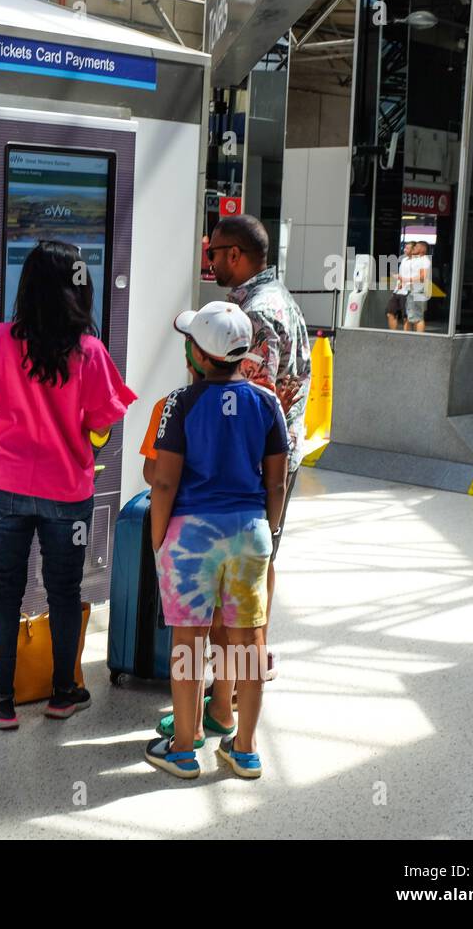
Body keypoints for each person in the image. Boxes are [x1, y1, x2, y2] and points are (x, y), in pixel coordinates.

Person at [0, 240, 136, 729]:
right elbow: (105, 419)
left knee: (5, 589)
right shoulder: (89, 352)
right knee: (63, 590)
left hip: (3, 486)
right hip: (66, 492)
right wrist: (77, 446)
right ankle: (63, 692)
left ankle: (2, 701)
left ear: (26, 286)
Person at [144, 302, 289, 779]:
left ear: (199, 355)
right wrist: (267, 532)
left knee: (188, 642)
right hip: (250, 532)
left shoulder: (178, 404)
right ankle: (244, 749)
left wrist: (159, 539)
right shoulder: (267, 403)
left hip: (191, 536)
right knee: (248, 643)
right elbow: (276, 482)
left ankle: (184, 748)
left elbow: (163, 482)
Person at [207, 215, 310, 668]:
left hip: (252, 465)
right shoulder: (277, 298)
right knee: (261, 560)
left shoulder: (258, 312)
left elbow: (249, 402)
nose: (209, 261)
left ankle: (231, 681)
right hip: (275, 458)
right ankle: (251, 659)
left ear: (236, 254)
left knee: (237, 571)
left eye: (214, 253)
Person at [405, 241, 432, 333]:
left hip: (418, 291)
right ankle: (410, 337)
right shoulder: (418, 260)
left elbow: (422, 277)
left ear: (422, 249)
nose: (414, 248)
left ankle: (419, 339)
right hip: (414, 291)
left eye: (416, 246)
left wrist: (407, 279)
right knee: (412, 316)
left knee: (418, 318)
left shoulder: (424, 261)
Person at [388, 242, 414, 331]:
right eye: (405, 248)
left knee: (406, 316)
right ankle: (393, 334)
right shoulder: (404, 260)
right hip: (398, 290)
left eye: (407, 248)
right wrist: (397, 278)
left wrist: (401, 278)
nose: (405, 250)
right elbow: (402, 275)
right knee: (390, 313)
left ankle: (406, 337)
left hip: (408, 291)